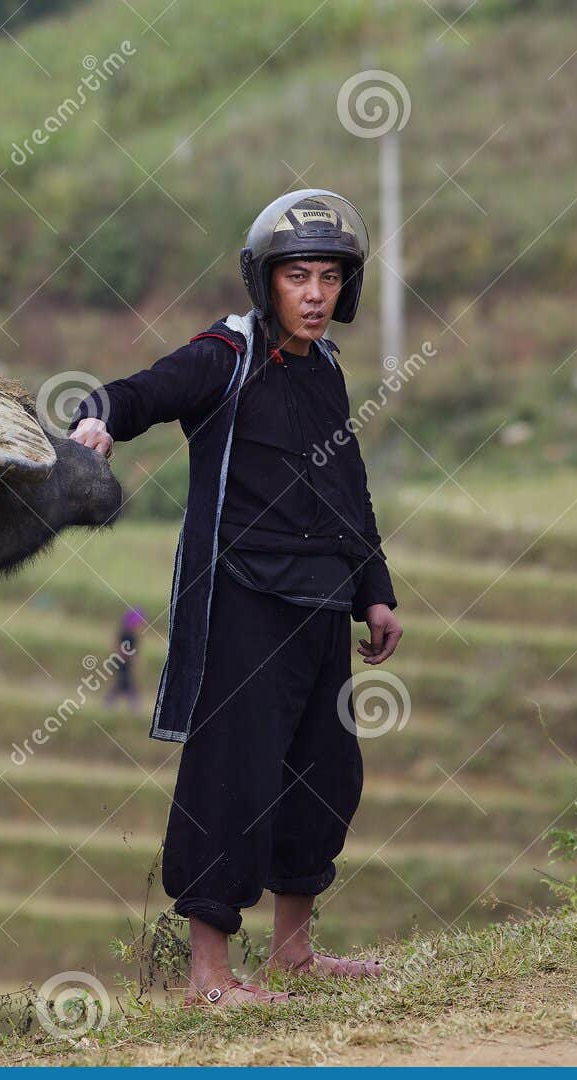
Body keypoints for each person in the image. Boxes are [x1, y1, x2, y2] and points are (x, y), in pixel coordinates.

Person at [68, 189, 403, 1007]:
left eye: (330, 277)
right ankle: (209, 975)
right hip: (244, 606)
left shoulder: (325, 371)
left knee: (326, 775)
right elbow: (143, 390)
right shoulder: (227, 355)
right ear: (267, 283)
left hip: (322, 605)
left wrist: (376, 593)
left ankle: (293, 952)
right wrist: (97, 417)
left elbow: (347, 491)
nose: (316, 294)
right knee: (233, 776)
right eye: (299, 277)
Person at [105, 606, 146, 711]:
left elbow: (135, 652)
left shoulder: (134, 636)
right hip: (119, 662)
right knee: (124, 682)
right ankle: (133, 704)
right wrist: (124, 655)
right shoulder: (125, 633)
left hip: (127, 663)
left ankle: (111, 702)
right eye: (139, 623)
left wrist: (135, 661)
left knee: (124, 683)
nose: (141, 626)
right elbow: (115, 646)